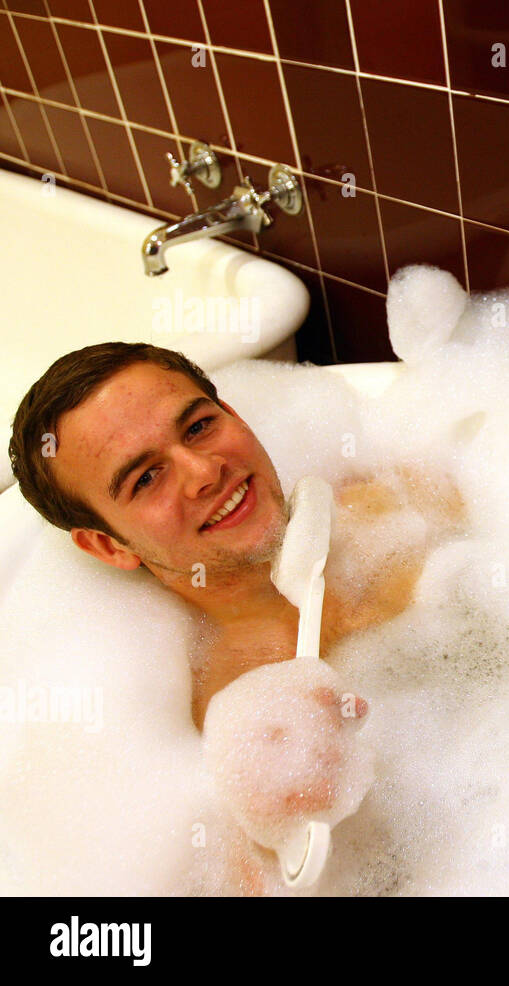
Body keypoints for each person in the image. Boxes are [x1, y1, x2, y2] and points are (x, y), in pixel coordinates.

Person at [8, 342, 464, 892]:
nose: (204, 472)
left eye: (199, 427)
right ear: (108, 548)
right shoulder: (232, 729)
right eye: (146, 479)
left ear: (235, 415)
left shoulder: (397, 496)